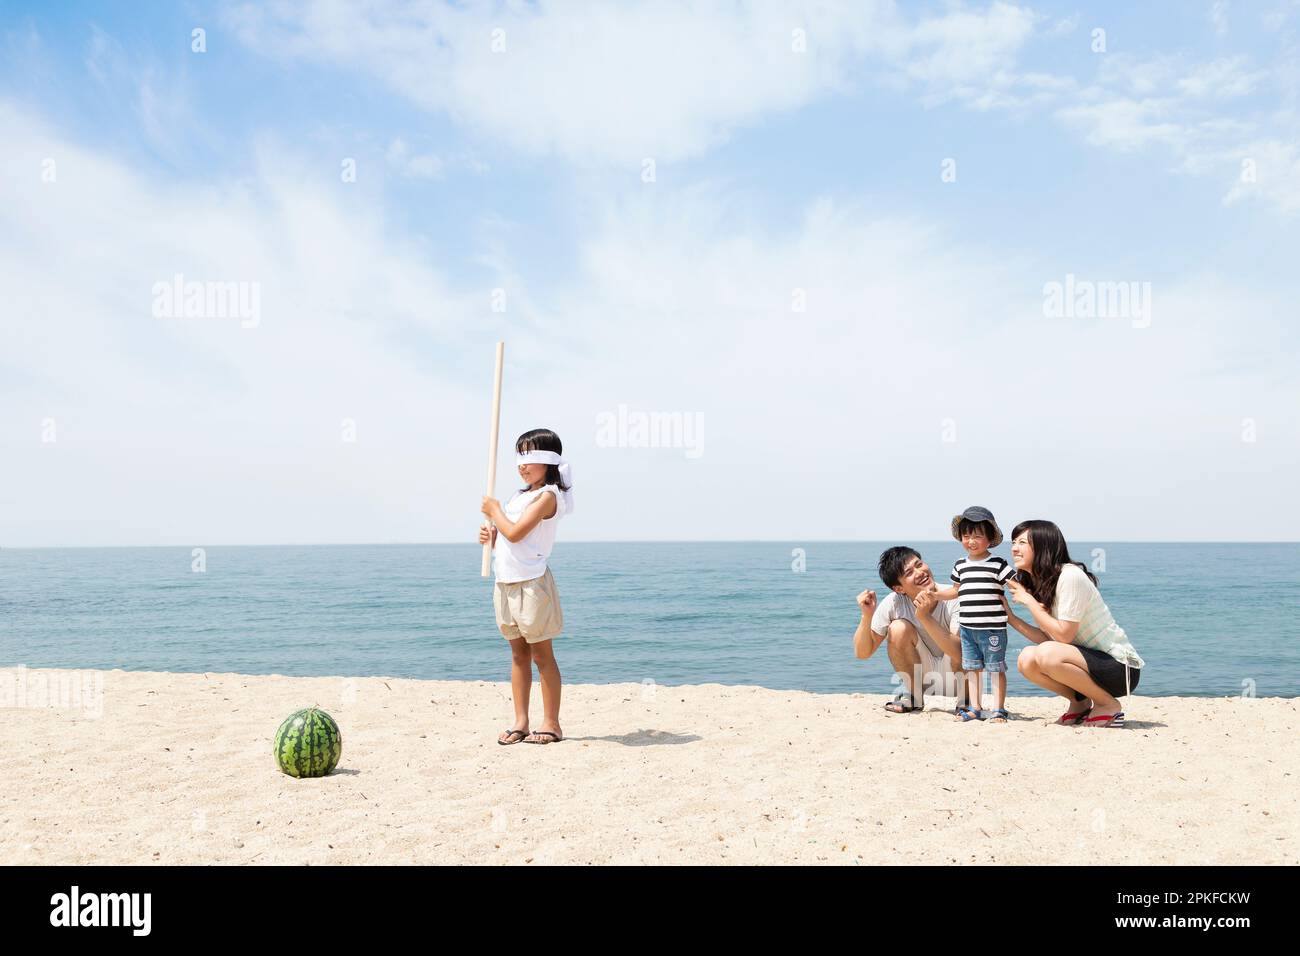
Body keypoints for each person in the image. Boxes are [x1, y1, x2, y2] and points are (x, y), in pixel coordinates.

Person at [479, 428, 574, 745]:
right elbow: (509, 539)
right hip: (505, 582)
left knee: (541, 655)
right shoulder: (518, 497)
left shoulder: (548, 497)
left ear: (549, 461)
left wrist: (495, 513)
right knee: (518, 655)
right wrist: (492, 539)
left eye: (530, 456)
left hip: (532, 584)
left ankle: (551, 723)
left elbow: (517, 532)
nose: (522, 463)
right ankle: (521, 721)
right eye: (519, 455)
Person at [1005, 520, 1145, 728]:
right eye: (1014, 542)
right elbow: (1049, 638)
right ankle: (1079, 703)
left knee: (1046, 653)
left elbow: (1063, 637)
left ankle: (1108, 704)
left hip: (1119, 668)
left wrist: (1029, 601)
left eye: (1023, 542)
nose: (1015, 548)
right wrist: (1011, 618)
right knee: (1027, 659)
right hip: (1085, 663)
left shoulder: (1070, 576)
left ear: (1044, 546)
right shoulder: (1044, 583)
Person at [852, 546, 967, 714]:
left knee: (965, 640)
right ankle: (915, 697)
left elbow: (961, 653)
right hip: (922, 678)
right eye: (909, 573)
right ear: (899, 589)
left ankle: (966, 700)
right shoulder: (893, 603)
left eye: (919, 564)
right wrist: (867, 616)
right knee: (898, 628)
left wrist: (924, 616)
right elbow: (863, 653)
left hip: (960, 679)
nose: (920, 572)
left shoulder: (955, 597)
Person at [934, 506, 1015, 723]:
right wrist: (935, 595)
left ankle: (998, 709)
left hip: (992, 628)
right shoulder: (960, 565)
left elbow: (1014, 584)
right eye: (966, 535)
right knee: (972, 669)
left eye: (977, 536)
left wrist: (1025, 596)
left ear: (990, 539)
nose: (971, 540)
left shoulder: (997, 564)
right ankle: (975, 708)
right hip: (967, 628)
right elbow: (955, 591)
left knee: (995, 669)